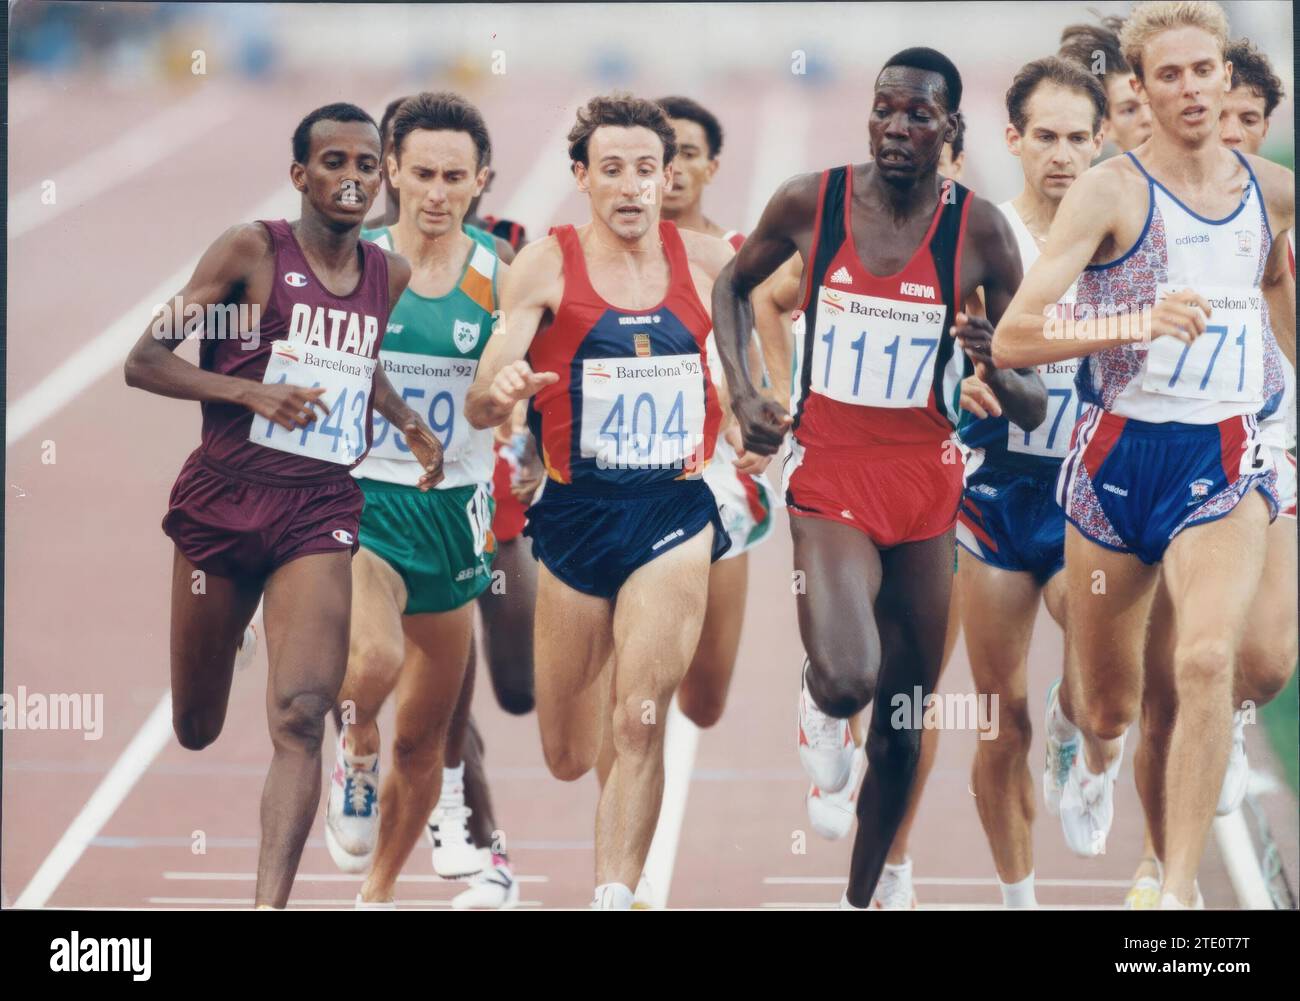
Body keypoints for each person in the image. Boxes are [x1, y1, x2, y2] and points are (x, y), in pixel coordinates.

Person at [711, 48, 1047, 909]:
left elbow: (1033, 404)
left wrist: (997, 368)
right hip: (832, 470)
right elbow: (731, 284)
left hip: (928, 486)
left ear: (950, 128)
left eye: (920, 115)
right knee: (852, 676)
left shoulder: (978, 232)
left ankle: (862, 897)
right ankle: (821, 704)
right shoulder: (810, 201)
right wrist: (748, 392)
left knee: (902, 728)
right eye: (886, 110)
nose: (899, 129)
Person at [992, 0, 1293, 909]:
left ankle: (1172, 890)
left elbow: (1276, 285)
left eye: (1206, 72)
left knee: (1204, 661)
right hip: (1117, 461)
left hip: (1227, 454)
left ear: (1226, 76)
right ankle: (1084, 738)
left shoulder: (1270, 189)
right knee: (1113, 704)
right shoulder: (1110, 192)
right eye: (1170, 75)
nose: (1192, 89)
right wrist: (1135, 320)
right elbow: (1013, 338)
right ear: (1141, 89)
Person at [123, 102, 441, 909]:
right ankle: (232, 634)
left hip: (317, 507)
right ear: (301, 175)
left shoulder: (387, 273)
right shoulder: (251, 251)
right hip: (223, 500)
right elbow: (144, 359)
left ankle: (269, 905)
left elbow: (355, 358)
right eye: (333, 162)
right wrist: (248, 391)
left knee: (302, 715)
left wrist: (404, 417)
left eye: (367, 165)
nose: (352, 178)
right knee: (196, 725)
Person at [465, 93, 736, 910]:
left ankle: (617, 894)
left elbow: (764, 353)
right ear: (580, 177)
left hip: (672, 514)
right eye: (611, 171)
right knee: (569, 750)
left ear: (669, 176)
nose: (630, 188)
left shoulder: (708, 262)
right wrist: (502, 384)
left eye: (647, 170)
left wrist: (764, 412)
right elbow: (486, 390)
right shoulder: (545, 264)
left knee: (639, 720)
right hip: (575, 521)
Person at [321, 92, 510, 907]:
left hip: (456, 515)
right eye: (422, 173)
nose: (436, 191)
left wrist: (521, 422)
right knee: (373, 661)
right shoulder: (348, 260)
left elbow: (528, 386)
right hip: (363, 498)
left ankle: (378, 889)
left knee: (426, 744)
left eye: (454, 177)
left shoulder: (501, 276)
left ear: (480, 182)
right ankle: (351, 748)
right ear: (391, 169)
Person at [1126, 35, 1297, 909]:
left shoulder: (1277, 208)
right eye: (1213, 116)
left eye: (1247, 123)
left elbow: (1279, 305)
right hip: (1167, 448)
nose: (1225, 132)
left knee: (1263, 662)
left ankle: (1225, 720)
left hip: (1272, 442)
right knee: (1170, 671)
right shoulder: (1147, 197)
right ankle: (1170, 871)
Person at [954, 56, 1105, 907]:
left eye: (1078, 137)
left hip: (1093, 492)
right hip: (998, 491)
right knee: (995, 712)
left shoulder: (1125, 236)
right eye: (1043, 136)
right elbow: (946, 346)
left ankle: (1074, 723)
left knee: (1095, 684)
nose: (1061, 153)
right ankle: (1019, 896)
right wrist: (961, 382)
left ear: (1102, 140)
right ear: (1012, 139)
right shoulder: (984, 236)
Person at [1059, 13, 1154, 154]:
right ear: (1105, 126)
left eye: (1152, 103)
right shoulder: (1095, 176)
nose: (1147, 118)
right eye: (1129, 110)